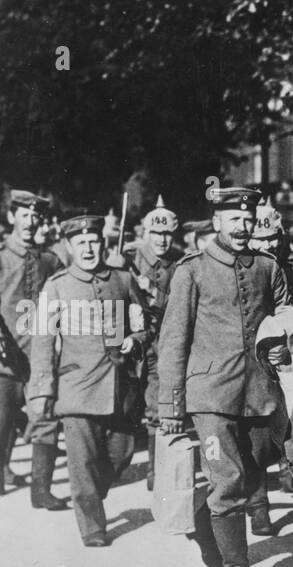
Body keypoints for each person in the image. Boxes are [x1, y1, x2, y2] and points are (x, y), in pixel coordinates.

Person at [158, 186, 293, 567]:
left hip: (258, 392)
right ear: (216, 221)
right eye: (234, 220)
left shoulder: (267, 267)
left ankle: (206, 520)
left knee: (252, 473)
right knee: (229, 478)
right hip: (210, 394)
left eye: (248, 220)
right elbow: (173, 340)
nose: (243, 227)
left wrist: (283, 346)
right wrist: (171, 404)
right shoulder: (191, 271)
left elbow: (287, 318)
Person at [28, 215, 149, 546]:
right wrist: (42, 389)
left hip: (119, 385)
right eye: (81, 243)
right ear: (69, 246)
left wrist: (135, 340)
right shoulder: (56, 286)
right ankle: (93, 527)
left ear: (104, 243)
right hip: (76, 387)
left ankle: (94, 492)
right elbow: (41, 340)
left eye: (94, 241)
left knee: (122, 453)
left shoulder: (123, 280)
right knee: (81, 463)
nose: (89, 249)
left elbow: (142, 323)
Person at [0, 189, 65, 504]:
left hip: (39, 357)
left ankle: (41, 490)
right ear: (12, 217)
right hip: (2, 359)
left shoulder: (50, 260)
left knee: (45, 419)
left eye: (34, 216)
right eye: (23, 215)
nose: (29, 222)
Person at [118, 195, 182, 490]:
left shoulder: (181, 262)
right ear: (145, 233)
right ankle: (113, 461)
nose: (162, 240)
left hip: (162, 344)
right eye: (156, 233)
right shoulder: (129, 257)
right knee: (125, 406)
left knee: (157, 408)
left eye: (167, 233)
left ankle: (155, 473)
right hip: (130, 344)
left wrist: (153, 291)